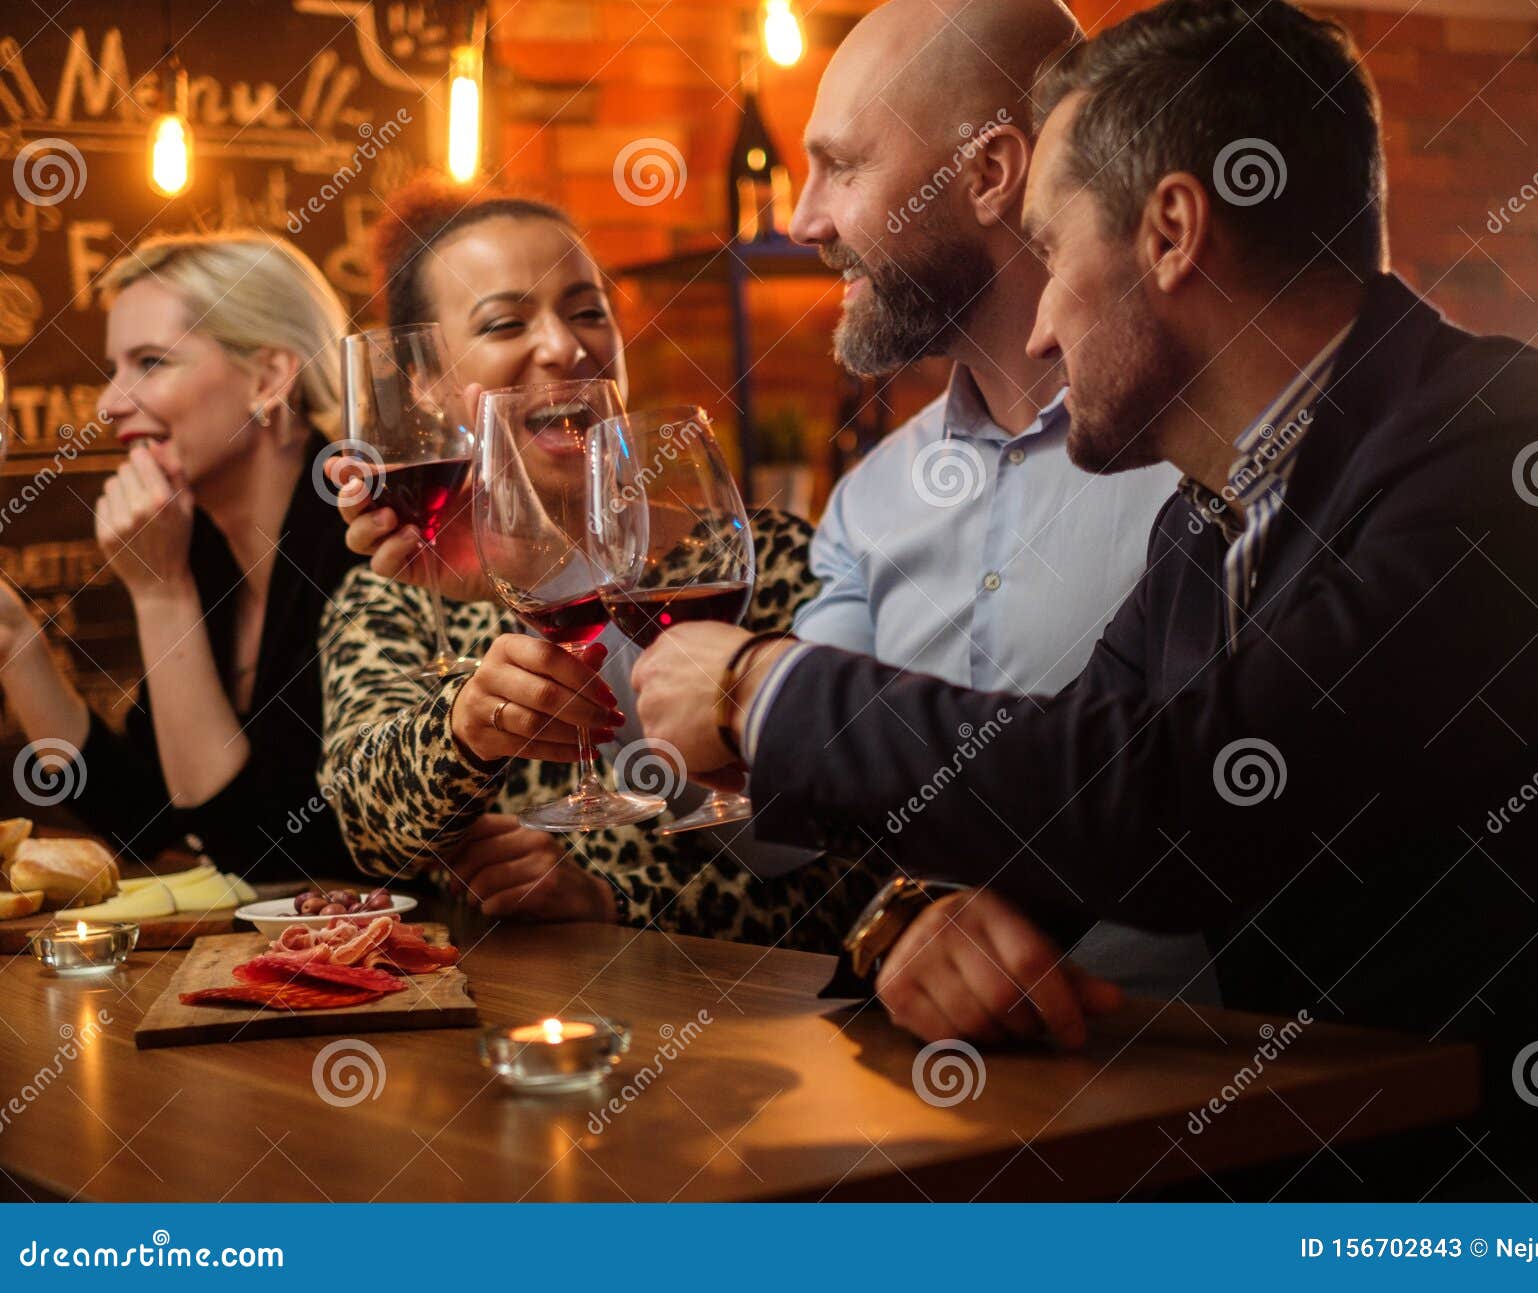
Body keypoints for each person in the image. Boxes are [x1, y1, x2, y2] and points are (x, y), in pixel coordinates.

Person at [632, 0, 1538, 1186]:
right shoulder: (1210, 512)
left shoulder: (1512, 445)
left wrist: (762, 689)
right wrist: (915, 924)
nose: (1035, 330)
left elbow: (1195, 788)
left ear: (1171, 231)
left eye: (1052, 249)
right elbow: (1080, 799)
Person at [316, 182, 887, 944]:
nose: (563, 345)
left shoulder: (768, 559)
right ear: (427, 384)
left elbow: (855, 869)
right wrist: (468, 720)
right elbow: (368, 826)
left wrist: (612, 898)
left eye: (587, 311)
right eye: (505, 322)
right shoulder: (393, 594)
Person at [773, 0, 1208, 1000]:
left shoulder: (1207, 463)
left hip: (1198, 1100)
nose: (804, 219)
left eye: (841, 166)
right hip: (924, 1091)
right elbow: (788, 808)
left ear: (986, 172)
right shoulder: (870, 498)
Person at [0, 232, 362, 880]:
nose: (110, 403)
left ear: (270, 376)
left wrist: (160, 595)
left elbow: (260, 854)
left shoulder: (363, 534)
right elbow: (146, 814)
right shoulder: (198, 544)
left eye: (151, 362)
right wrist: (16, 645)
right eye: (115, 369)